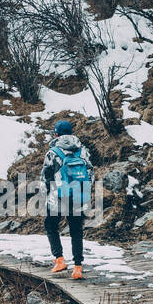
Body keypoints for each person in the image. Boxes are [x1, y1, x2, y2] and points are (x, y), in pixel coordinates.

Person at [42, 119, 93, 280]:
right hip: (78, 195)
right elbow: (90, 173)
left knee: (50, 225)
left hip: (58, 197)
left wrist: (47, 194)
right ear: (71, 133)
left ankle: (60, 260)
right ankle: (77, 267)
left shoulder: (53, 152)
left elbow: (45, 177)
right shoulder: (82, 150)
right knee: (76, 231)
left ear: (56, 134)